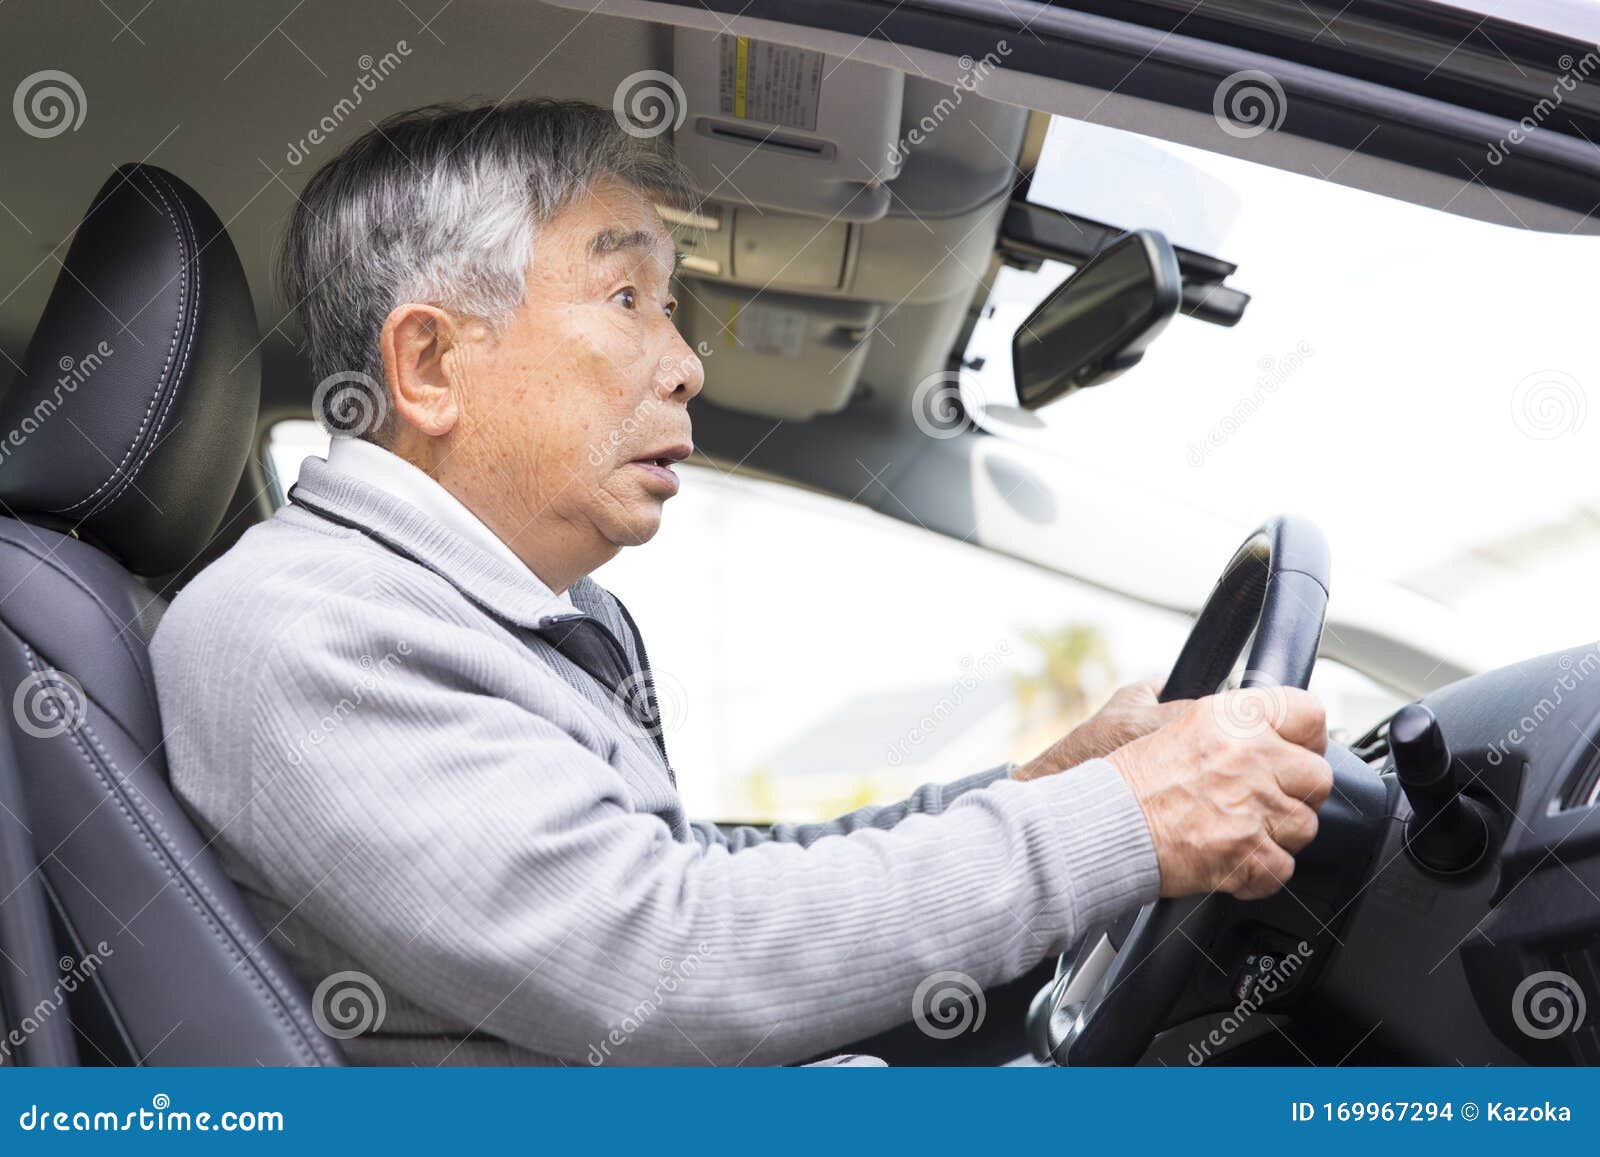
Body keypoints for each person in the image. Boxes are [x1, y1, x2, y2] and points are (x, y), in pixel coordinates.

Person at [150, 99, 1331, 1066]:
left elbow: (687, 879)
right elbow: (663, 965)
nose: (686, 361)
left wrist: (1046, 785)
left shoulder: (493, 619)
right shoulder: (302, 628)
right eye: (626, 300)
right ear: (430, 362)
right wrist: (1128, 818)